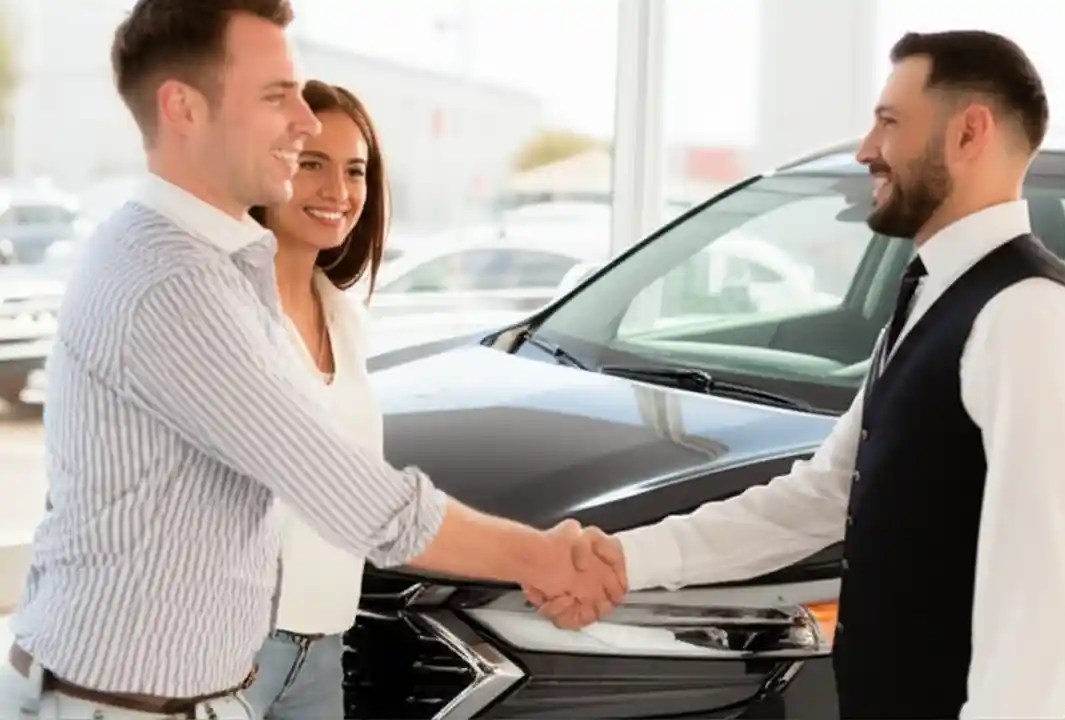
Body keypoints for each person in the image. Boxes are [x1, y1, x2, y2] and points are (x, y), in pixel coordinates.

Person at [2, 1, 622, 718]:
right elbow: (354, 498)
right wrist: (541, 560)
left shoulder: (220, 265)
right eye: (276, 95)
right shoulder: (172, 283)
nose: (301, 120)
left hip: (194, 694)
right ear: (184, 108)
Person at [533, 30, 1065, 719]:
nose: (866, 148)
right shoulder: (932, 294)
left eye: (890, 122)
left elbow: (1043, 603)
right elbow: (819, 496)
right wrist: (626, 560)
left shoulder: (1031, 316)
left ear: (969, 133)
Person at [234, 79, 386, 719]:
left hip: (321, 646)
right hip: (231, 650)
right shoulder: (223, 310)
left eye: (355, 171)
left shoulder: (347, 319)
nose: (339, 192)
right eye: (312, 164)